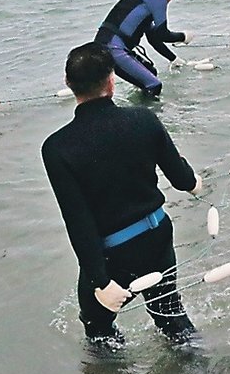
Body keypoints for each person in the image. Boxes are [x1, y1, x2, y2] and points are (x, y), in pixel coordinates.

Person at [42, 42, 202, 345]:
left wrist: (100, 281)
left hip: (112, 254)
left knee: (98, 330)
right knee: (171, 316)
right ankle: (201, 372)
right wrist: (195, 183)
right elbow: (181, 179)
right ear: (111, 81)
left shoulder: (57, 148)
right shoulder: (144, 120)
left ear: (68, 83)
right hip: (157, 237)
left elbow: (78, 220)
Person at [94, 0, 192, 98]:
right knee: (154, 85)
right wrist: (183, 37)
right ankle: (145, 116)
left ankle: (136, 107)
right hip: (112, 49)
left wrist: (174, 59)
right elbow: (163, 34)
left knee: (151, 72)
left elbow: (153, 38)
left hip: (103, 46)